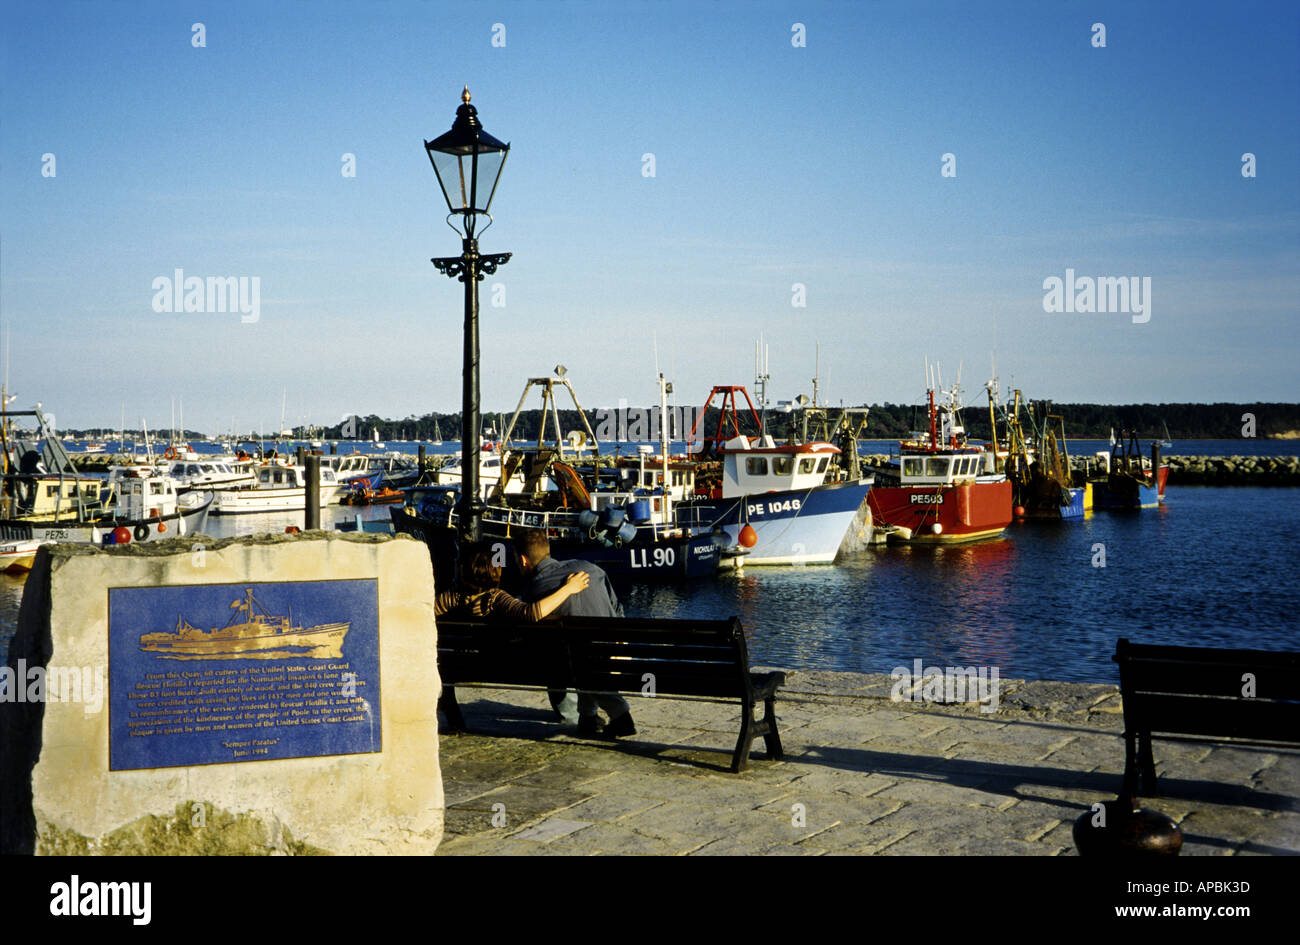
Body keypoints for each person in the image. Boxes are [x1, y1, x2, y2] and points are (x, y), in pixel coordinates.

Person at [512, 528, 635, 738]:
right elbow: (617, 609)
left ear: (523, 560)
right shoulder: (592, 570)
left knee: (573, 658)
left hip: (576, 665)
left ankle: (621, 716)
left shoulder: (536, 590)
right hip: (611, 653)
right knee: (584, 654)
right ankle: (587, 717)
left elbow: (531, 638)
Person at [434, 543, 589, 621]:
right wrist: (569, 588)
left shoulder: (454, 597)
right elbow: (531, 612)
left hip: (458, 665)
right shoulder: (494, 599)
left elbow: (429, 610)